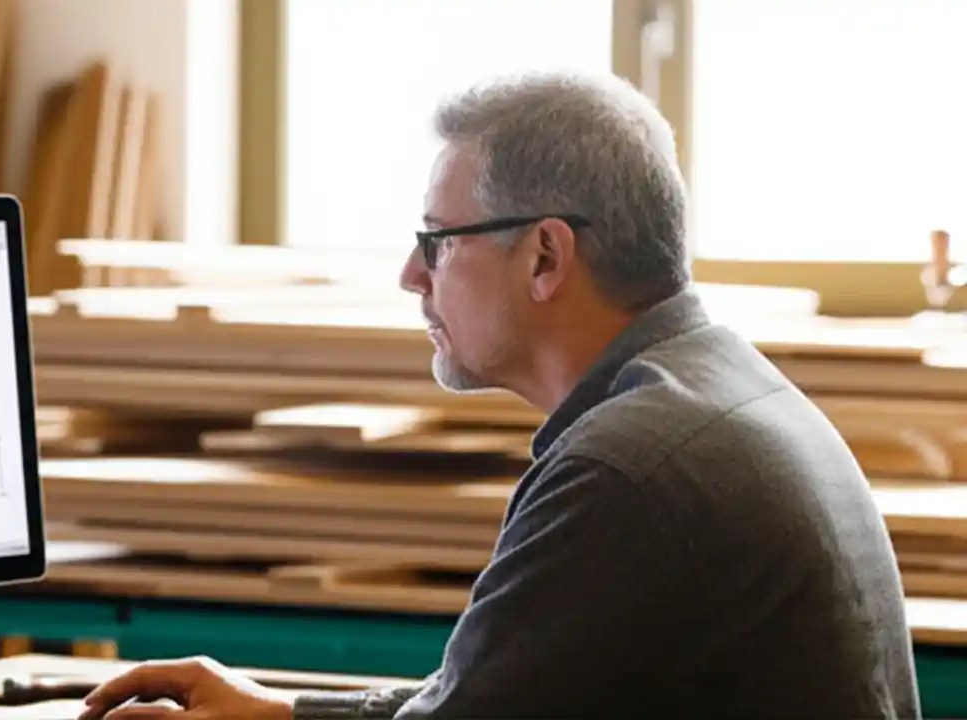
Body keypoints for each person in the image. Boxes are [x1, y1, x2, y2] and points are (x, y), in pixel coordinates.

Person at [78, 71, 920, 719]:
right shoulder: (719, 393)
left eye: (436, 242)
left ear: (546, 258)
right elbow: (488, 699)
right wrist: (286, 712)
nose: (411, 275)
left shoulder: (623, 472)